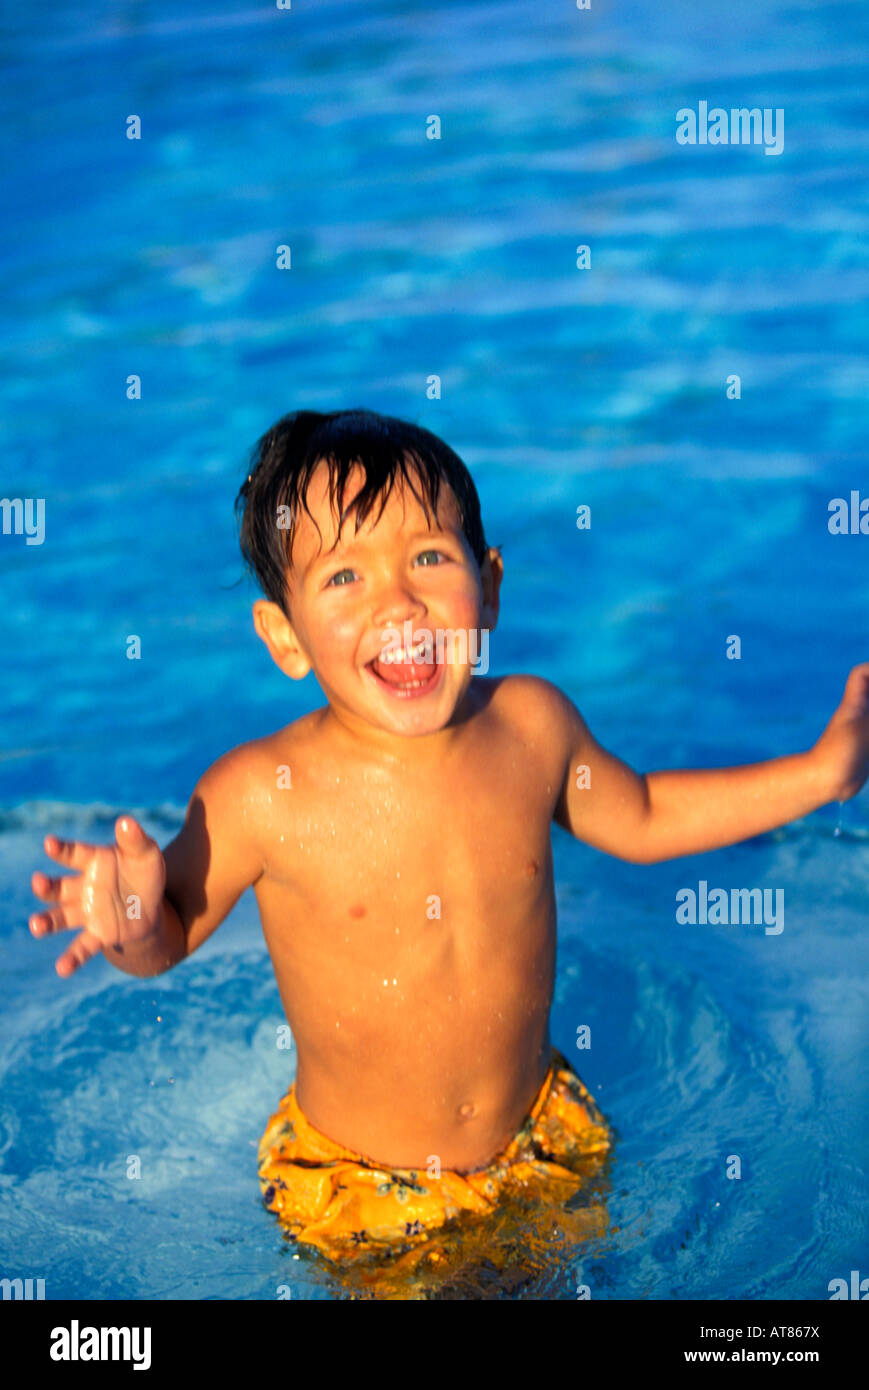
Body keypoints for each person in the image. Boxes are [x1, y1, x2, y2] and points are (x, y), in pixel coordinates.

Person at [29, 408, 869, 1288]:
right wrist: (128, 925)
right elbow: (168, 935)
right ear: (284, 637)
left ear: (490, 584)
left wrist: (820, 774)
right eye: (344, 576)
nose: (397, 602)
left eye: (429, 557)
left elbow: (648, 814)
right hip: (360, 1189)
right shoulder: (257, 794)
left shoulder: (532, 728)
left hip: (538, 1138)